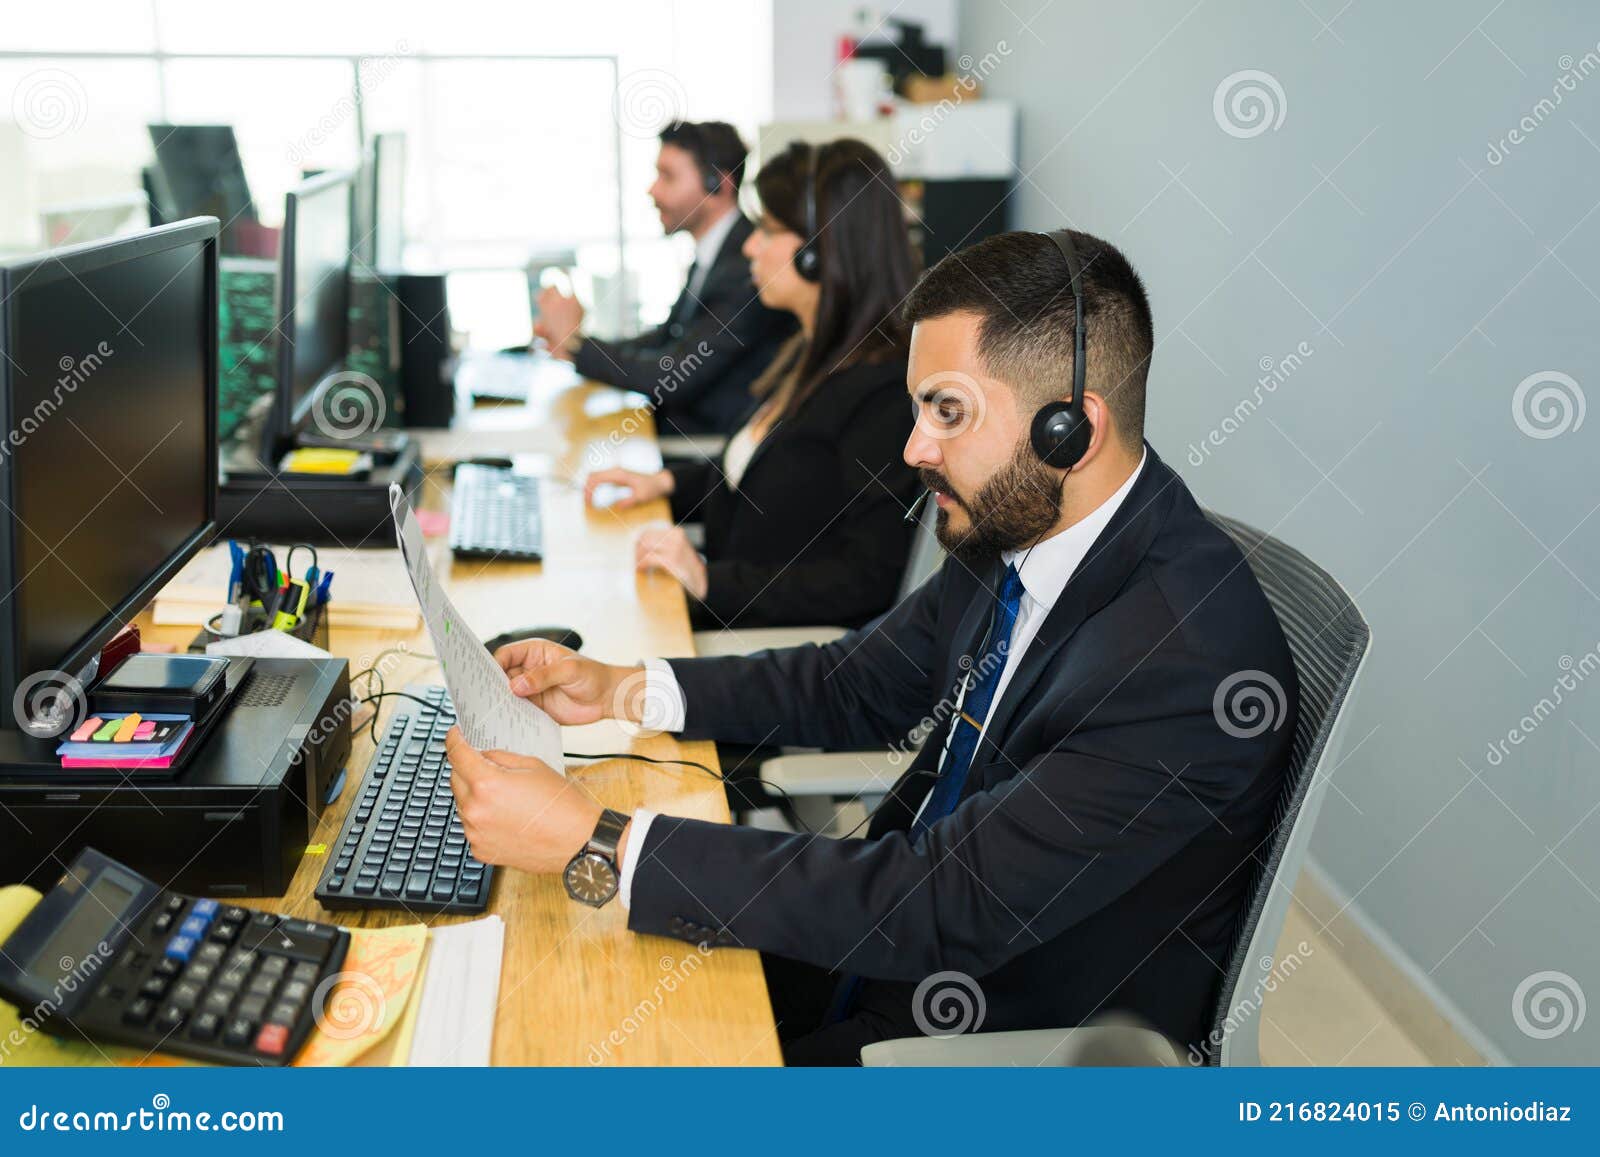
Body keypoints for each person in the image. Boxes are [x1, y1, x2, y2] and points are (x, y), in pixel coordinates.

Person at [446, 227, 1301, 1065]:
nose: (914, 447)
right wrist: (626, 687)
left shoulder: (1185, 665)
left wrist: (596, 840)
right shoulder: (1021, 529)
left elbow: (939, 901)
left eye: (948, 410)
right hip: (883, 947)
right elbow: (853, 682)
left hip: (982, 1038)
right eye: (919, 405)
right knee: (561, 993)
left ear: (1068, 431)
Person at [583, 139, 921, 631]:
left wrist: (706, 581)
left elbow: (867, 581)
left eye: (766, 229)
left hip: (771, 644)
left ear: (817, 252)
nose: (748, 245)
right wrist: (664, 482)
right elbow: (760, 471)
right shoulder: (807, 353)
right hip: (728, 606)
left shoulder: (882, 391)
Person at [533, 120, 794, 436]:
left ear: (718, 184)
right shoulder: (715, 255)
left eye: (667, 176)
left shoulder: (745, 268)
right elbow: (667, 339)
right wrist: (577, 343)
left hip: (702, 450)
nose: (652, 189)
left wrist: (578, 345)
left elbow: (674, 376)